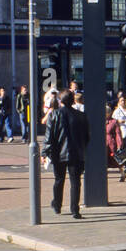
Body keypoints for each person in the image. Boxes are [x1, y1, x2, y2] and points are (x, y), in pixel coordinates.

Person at [43, 90, 89, 218]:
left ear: (60, 101)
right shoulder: (81, 116)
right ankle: (75, 209)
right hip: (76, 153)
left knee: (59, 179)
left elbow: (49, 136)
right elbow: (86, 136)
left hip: (59, 153)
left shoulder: (54, 115)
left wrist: (45, 152)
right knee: (75, 182)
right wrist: (82, 149)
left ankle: (57, 205)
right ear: (73, 100)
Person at [104, 104, 126, 184]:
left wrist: (120, 144)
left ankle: (122, 173)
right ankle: (104, 176)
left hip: (111, 143)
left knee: (116, 160)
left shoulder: (114, 121)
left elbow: (118, 134)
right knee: (104, 160)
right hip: (103, 143)